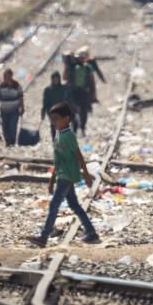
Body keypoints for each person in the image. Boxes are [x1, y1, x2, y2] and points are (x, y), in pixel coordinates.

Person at [29, 102, 100, 247]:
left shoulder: (69, 136)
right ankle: (91, 232)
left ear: (66, 119)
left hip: (67, 176)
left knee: (54, 206)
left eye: (56, 119)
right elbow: (58, 160)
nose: (54, 122)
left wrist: (86, 175)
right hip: (62, 175)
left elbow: (79, 155)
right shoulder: (58, 135)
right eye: (52, 119)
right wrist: (52, 179)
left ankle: (43, 238)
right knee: (74, 205)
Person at [63, 49, 97, 134]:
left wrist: (93, 94)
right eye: (79, 58)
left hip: (84, 92)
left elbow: (92, 82)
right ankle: (75, 127)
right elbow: (65, 78)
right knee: (72, 111)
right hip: (73, 92)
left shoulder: (88, 68)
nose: (81, 59)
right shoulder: (71, 67)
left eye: (82, 58)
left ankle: (82, 127)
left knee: (84, 111)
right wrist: (66, 65)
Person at [0, 68, 24, 146]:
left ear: (11, 76)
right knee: (5, 127)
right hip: (3, 110)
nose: (5, 78)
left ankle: (12, 142)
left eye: (6, 76)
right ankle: (7, 141)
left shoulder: (17, 86)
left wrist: (22, 108)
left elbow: (21, 98)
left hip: (14, 110)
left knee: (12, 127)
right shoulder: (1, 86)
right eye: (4, 76)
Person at [41, 71, 69, 141]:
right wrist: (43, 112)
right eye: (54, 79)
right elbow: (45, 102)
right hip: (51, 111)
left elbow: (66, 100)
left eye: (56, 79)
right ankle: (54, 140)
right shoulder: (48, 90)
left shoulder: (63, 88)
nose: (55, 80)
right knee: (53, 126)